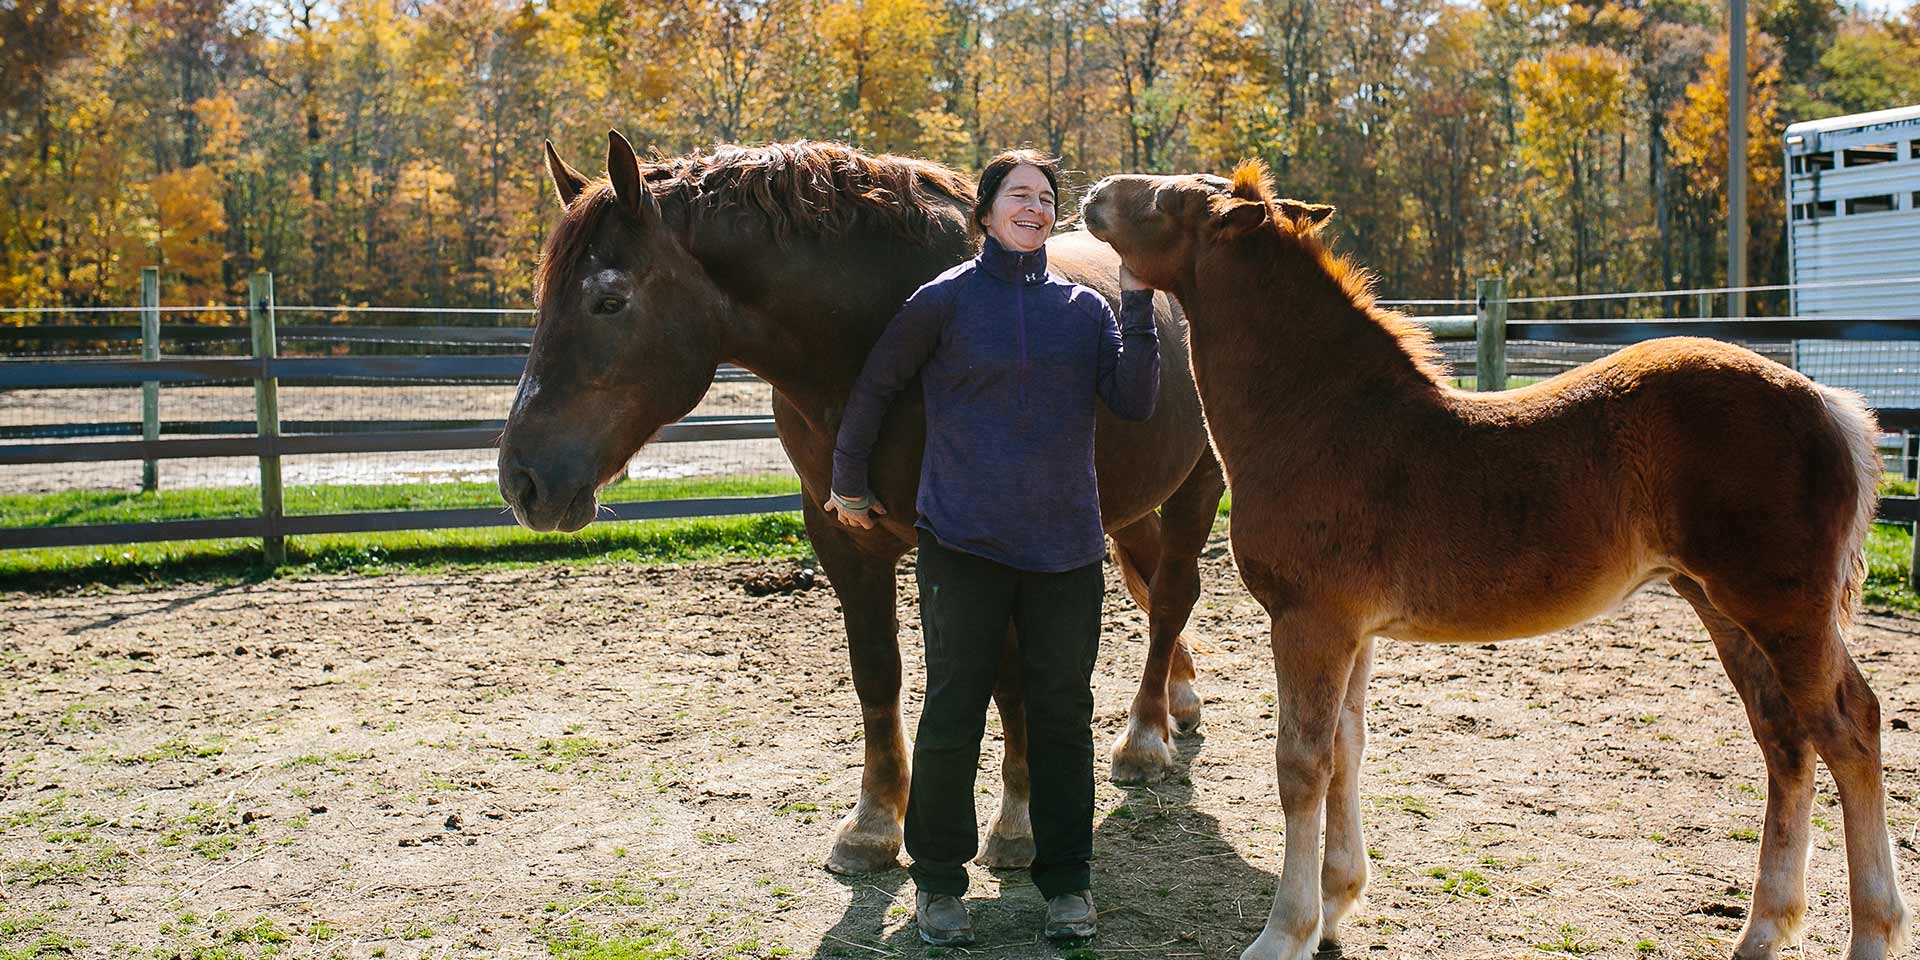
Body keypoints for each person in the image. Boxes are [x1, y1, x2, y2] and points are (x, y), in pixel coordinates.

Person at [824, 150, 1159, 947]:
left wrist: (1139, 301)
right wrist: (846, 480)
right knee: (951, 715)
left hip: (1068, 552)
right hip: (963, 547)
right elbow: (874, 388)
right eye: (1019, 195)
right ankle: (939, 884)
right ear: (983, 213)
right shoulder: (941, 303)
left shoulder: (1085, 309)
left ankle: (1069, 882)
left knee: (1063, 719)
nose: (1035, 208)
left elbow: (1136, 398)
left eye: (1046, 199)